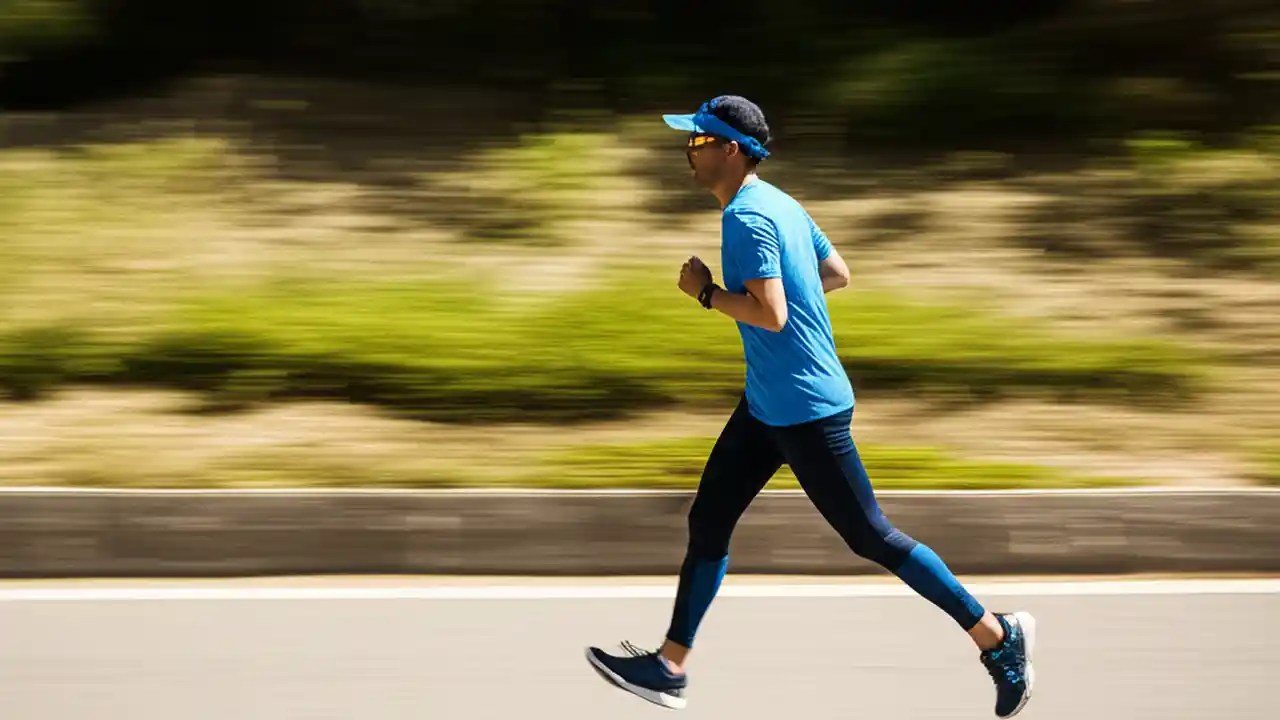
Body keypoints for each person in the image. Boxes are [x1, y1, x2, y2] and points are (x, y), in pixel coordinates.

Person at [584, 96, 1036, 718]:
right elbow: (837, 272)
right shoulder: (781, 202)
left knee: (871, 536)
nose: (687, 153)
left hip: (805, 409)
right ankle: (669, 667)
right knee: (710, 519)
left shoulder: (746, 218)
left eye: (696, 143)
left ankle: (997, 638)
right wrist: (784, 304)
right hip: (768, 404)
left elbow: (771, 314)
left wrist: (707, 293)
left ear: (729, 150)